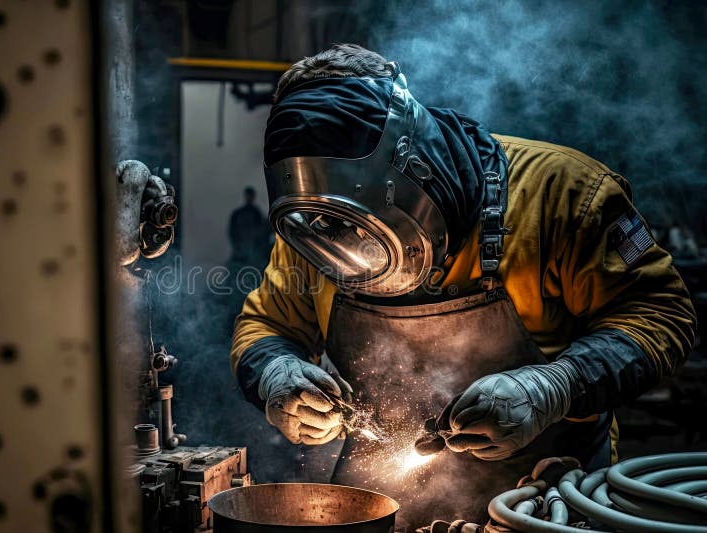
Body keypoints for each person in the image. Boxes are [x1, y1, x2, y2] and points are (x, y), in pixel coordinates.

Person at [230, 44, 696, 528]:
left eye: (370, 234)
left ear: (415, 168)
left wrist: (554, 386)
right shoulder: (318, 232)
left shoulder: (563, 194)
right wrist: (276, 373)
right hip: (378, 507)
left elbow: (662, 314)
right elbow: (266, 324)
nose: (351, 259)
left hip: (546, 502)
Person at [228, 186, 270, 271]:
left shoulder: (256, 213)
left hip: (252, 249)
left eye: (250, 195)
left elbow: (262, 231)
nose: (249, 198)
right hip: (242, 248)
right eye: (248, 195)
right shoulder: (239, 213)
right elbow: (232, 231)